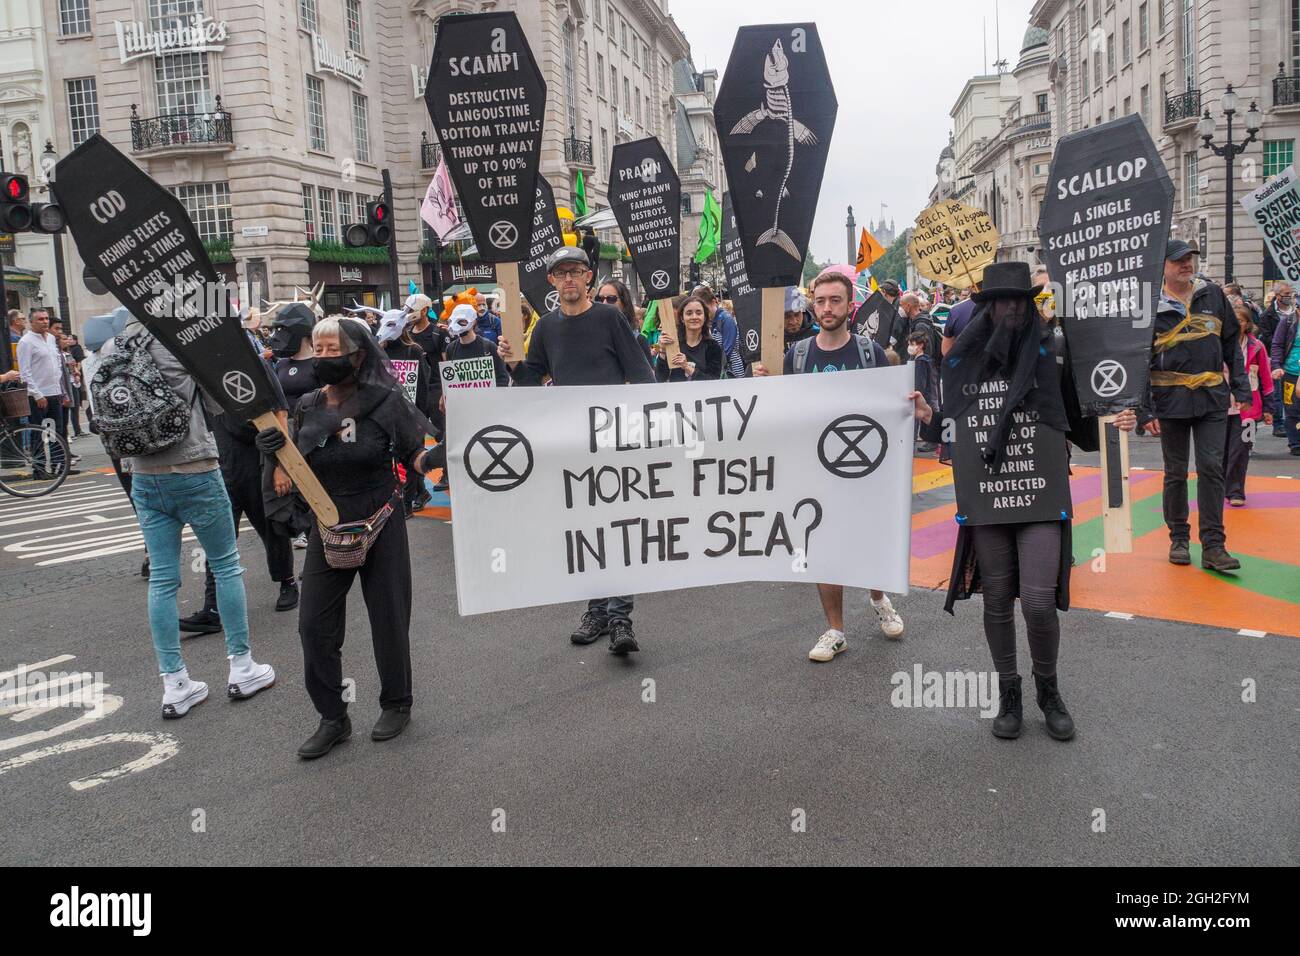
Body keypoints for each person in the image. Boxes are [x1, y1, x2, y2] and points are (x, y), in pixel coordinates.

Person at [920, 262, 1137, 740]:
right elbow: (951, 421)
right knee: (996, 597)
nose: (1011, 309)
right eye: (1001, 302)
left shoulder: (1054, 351)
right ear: (987, 308)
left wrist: (1113, 423)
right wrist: (927, 417)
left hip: (1041, 491)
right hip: (989, 496)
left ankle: (1048, 689)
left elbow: (1078, 421)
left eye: (1020, 301)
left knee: (1038, 601)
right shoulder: (961, 360)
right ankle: (1009, 692)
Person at [257, 316, 439, 759]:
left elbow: (414, 452)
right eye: (316, 350)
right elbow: (299, 461)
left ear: (356, 355)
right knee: (314, 625)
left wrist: (434, 458)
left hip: (381, 519)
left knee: (389, 618)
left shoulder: (386, 400)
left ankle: (397, 702)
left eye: (331, 350)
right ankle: (333, 718)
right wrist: (277, 454)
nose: (323, 359)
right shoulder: (309, 406)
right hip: (328, 524)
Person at [98, 316, 276, 718]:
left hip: (144, 474)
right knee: (226, 566)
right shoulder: (181, 344)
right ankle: (242, 666)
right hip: (194, 466)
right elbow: (220, 406)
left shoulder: (114, 346)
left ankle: (175, 683)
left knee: (163, 577)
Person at [752, 269, 926, 660]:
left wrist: (915, 406)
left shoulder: (869, 354)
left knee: (869, 540)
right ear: (812, 304)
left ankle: (879, 597)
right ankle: (835, 629)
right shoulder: (796, 356)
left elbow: (894, 408)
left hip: (863, 468)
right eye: (820, 300)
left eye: (835, 300)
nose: (827, 307)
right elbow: (777, 410)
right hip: (815, 471)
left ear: (850, 305)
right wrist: (760, 385)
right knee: (822, 546)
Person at [498, 246, 654, 655]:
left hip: (614, 442)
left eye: (576, 272)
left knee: (617, 528)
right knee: (586, 531)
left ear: (588, 277)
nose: (569, 279)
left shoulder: (609, 318)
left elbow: (641, 376)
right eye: (561, 273)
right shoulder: (547, 327)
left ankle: (621, 618)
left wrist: (642, 426)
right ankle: (596, 610)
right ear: (551, 281)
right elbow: (532, 381)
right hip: (572, 447)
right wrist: (513, 363)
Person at [1143, 241, 1251, 571]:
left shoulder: (1212, 294)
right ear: (1162, 264)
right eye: (1178, 260)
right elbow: (1138, 358)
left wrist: (1240, 385)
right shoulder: (1148, 303)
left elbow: (1232, 342)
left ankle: (1213, 546)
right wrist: (1144, 409)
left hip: (1211, 398)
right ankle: (1178, 538)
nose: (1186, 264)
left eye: (1189, 259)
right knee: (1175, 473)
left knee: (1211, 469)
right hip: (1169, 401)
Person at [1224, 304, 1274, 507]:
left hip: (1250, 410)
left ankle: (1236, 490)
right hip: (1221, 406)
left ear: (1247, 324)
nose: (1237, 324)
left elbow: (1266, 378)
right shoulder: (1220, 345)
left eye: (1241, 320)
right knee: (1221, 449)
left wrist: (1269, 408)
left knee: (1243, 449)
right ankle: (1219, 487)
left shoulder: (1257, 347)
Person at [15, 309, 75, 477]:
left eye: (46, 318)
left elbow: (56, 367)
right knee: (39, 433)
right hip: (38, 396)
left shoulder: (50, 338)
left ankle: (59, 467)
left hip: (55, 392)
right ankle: (39, 469)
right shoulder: (26, 342)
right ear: (31, 322)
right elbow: (25, 372)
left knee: (57, 431)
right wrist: (37, 394)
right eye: (40, 319)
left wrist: (62, 391)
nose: (44, 321)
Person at [656, 295, 723, 382]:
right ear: (682, 318)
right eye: (689, 313)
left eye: (699, 313)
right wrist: (662, 351)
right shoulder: (674, 343)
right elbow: (660, 378)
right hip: (678, 394)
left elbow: (714, 381)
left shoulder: (713, 346)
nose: (694, 317)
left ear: (705, 317)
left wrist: (687, 367)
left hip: (703, 395)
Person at [1269, 286, 1300, 454]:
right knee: (1292, 408)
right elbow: (1277, 344)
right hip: (1291, 373)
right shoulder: (1288, 321)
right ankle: (1295, 443)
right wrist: (1276, 366)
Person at [596, 277, 653, 366]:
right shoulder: (588, 337)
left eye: (611, 299)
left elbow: (648, 376)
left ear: (624, 302)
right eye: (599, 299)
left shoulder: (638, 340)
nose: (604, 303)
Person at [1258, 282, 1291, 436]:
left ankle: (1291, 422)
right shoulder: (1267, 315)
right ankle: (1278, 423)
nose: (1289, 297)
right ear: (1277, 296)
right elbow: (1268, 337)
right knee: (1277, 392)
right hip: (1276, 357)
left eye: (1290, 294)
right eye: (1285, 294)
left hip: (1292, 358)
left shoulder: (1294, 312)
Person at [693, 284, 746, 378]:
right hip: (717, 369)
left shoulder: (726, 319)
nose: (703, 314)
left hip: (731, 371)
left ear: (714, 302)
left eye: (705, 309)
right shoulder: (708, 321)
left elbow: (728, 350)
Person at [907, 329, 939, 453]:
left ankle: (929, 443)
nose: (910, 347)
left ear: (920, 345)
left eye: (912, 344)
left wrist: (917, 393)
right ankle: (933, 442)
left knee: (926, 418)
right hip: (932, 394)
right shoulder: (927, 360)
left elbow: (920, 382)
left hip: (926, 396)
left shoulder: (920, 362)